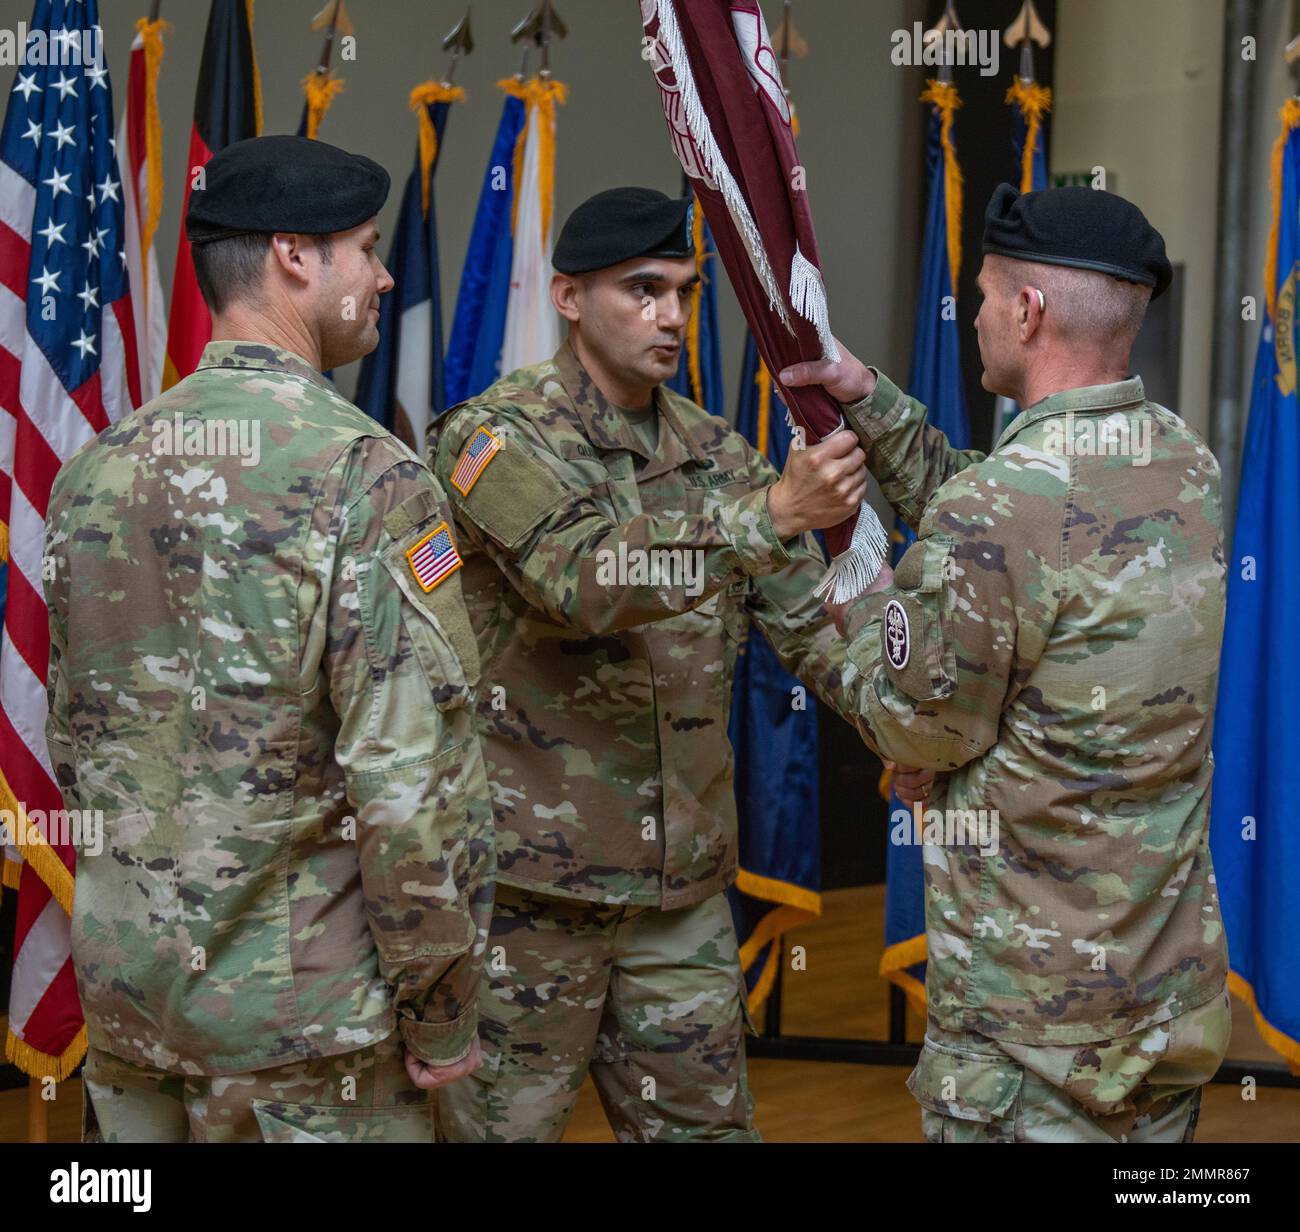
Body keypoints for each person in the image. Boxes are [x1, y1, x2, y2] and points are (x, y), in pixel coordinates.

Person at [45, 135, 493, 1143]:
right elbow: (410, 785)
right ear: (295, 256)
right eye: (367, 250)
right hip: (306, 1035)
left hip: (131, 1006)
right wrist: (441, 1005)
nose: (384, 277)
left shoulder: (91, 475)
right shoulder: (371, 479)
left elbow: (74, 743)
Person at [428, 186, 899, 1142]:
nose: (671, 317)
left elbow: (808, 625)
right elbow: (579, 575)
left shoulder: (716, 451)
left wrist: (910, 730)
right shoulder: (493, 438)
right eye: (641, 290)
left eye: (684, 291)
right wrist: (765, 519)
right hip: (532, 895)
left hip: (678, 897)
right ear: (567, 297)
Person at [779, 183, 1231, 1143]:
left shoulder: (1000, 509)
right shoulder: (1183, 463)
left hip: (1030, 1040)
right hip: (1158, 1007)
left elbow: (912, 723)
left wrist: (827, 574)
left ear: (1026, 312)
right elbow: (1024, 541)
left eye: (984, 294)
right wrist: (870, 400)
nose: (975, 313)